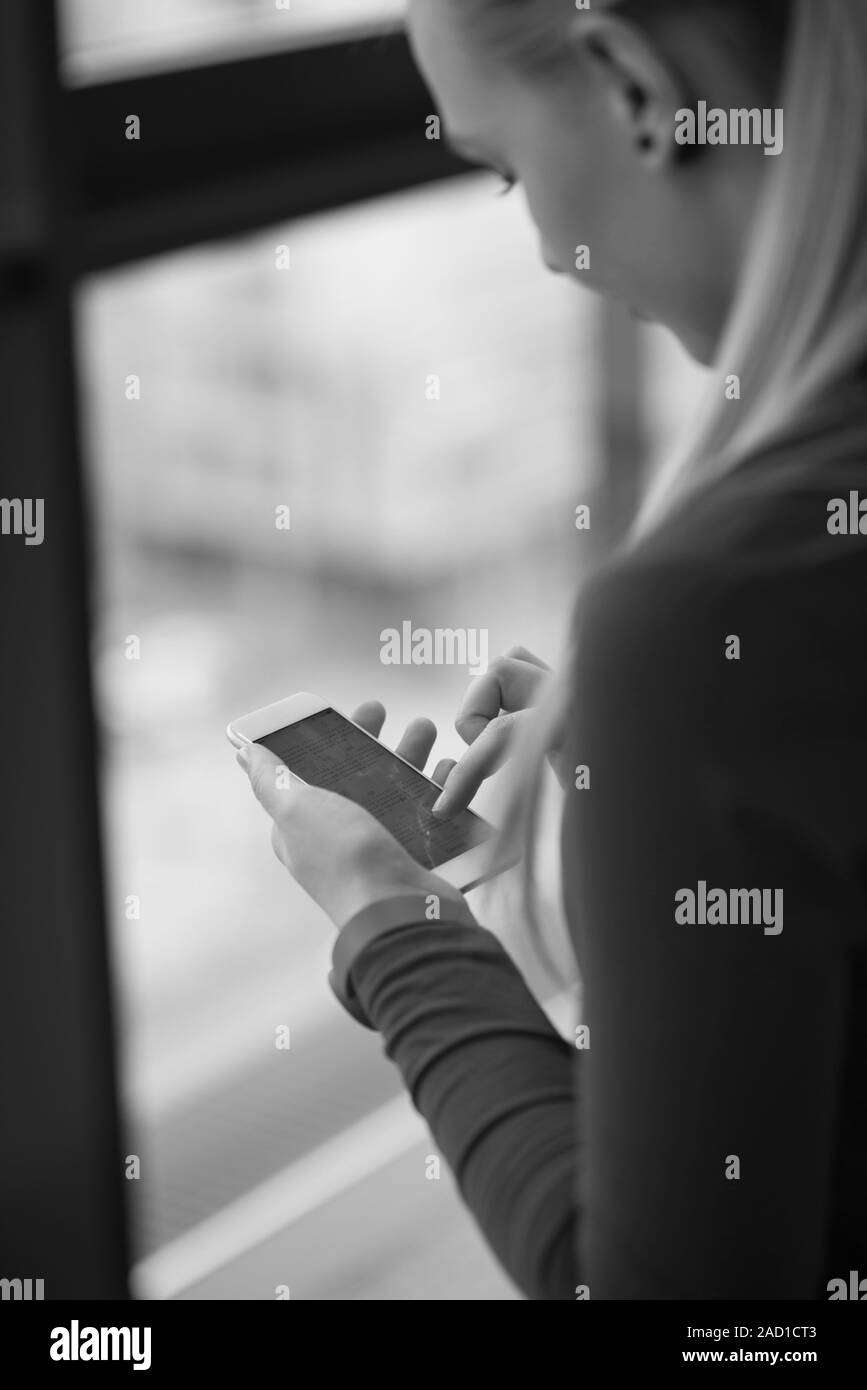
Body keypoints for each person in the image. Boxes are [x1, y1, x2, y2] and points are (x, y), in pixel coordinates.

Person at [237, 0, 867, 1299]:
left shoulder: (702, 618)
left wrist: (393, 924)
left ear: (634, 85)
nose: (542, 250)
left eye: (510, 169)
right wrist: (657, 806)